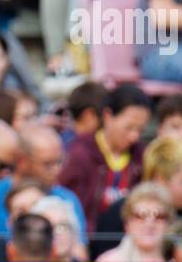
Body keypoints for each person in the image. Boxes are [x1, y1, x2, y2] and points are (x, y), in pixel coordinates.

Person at [59, 83, 150, 228]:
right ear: (108, 116)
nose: (134, 136)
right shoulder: (80, 154)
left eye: (140, 130)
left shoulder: (141, 157)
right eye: (129, 127)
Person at [95, 181, 174, 262]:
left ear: (168, 223)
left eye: (159, 216)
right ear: (127, 224)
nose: (149, 223)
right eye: (140, 216)